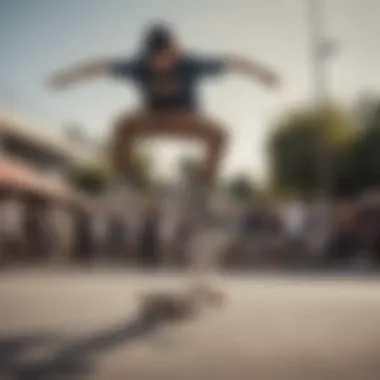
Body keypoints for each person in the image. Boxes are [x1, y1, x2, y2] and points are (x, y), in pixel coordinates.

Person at [48, 23, 280, 190]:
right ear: (147, 55)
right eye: (156, 59)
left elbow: (232, 63)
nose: (162, 63)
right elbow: (99, 66)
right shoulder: (138, 65)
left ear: (176, 52)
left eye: (167, 58)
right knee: (122, 125)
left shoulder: (191, 63)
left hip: (186, 119)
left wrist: (263, 74)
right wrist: (66, 78)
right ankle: (124, 180)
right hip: (152, 119)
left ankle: (202, 186)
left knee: (221, 133)